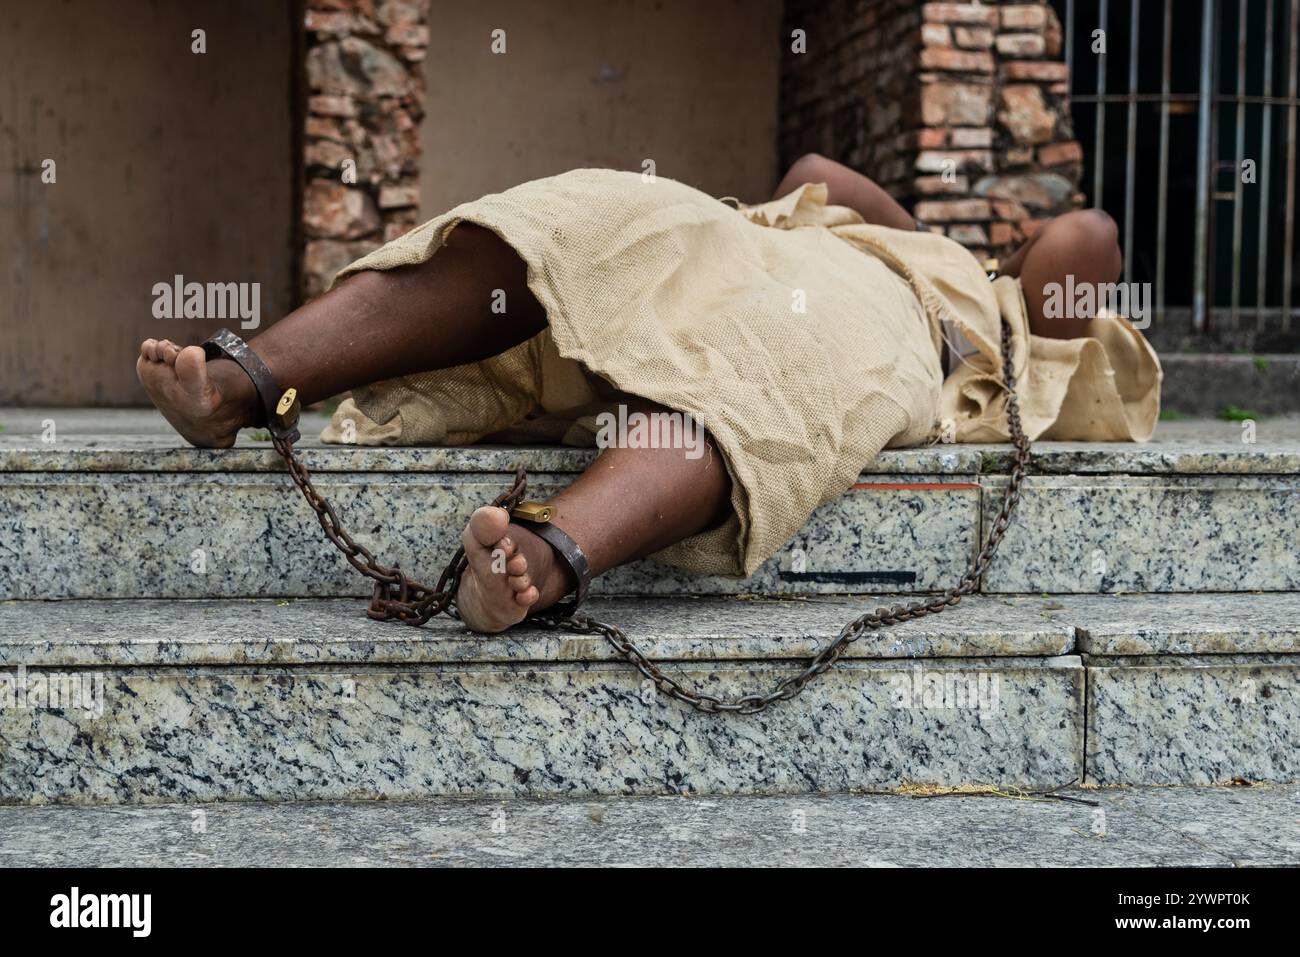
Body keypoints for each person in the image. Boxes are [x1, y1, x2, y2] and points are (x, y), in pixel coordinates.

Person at [137, 155, 1160, 632]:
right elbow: (817, 175)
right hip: (744, 238)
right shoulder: (906, 236)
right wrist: (904, 229)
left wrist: (988, 273)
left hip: (876, 320)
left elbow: (1088, 239)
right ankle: (241, 381)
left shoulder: (1003, 318)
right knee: (586, 217)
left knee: (762, 364)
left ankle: (539, 555)